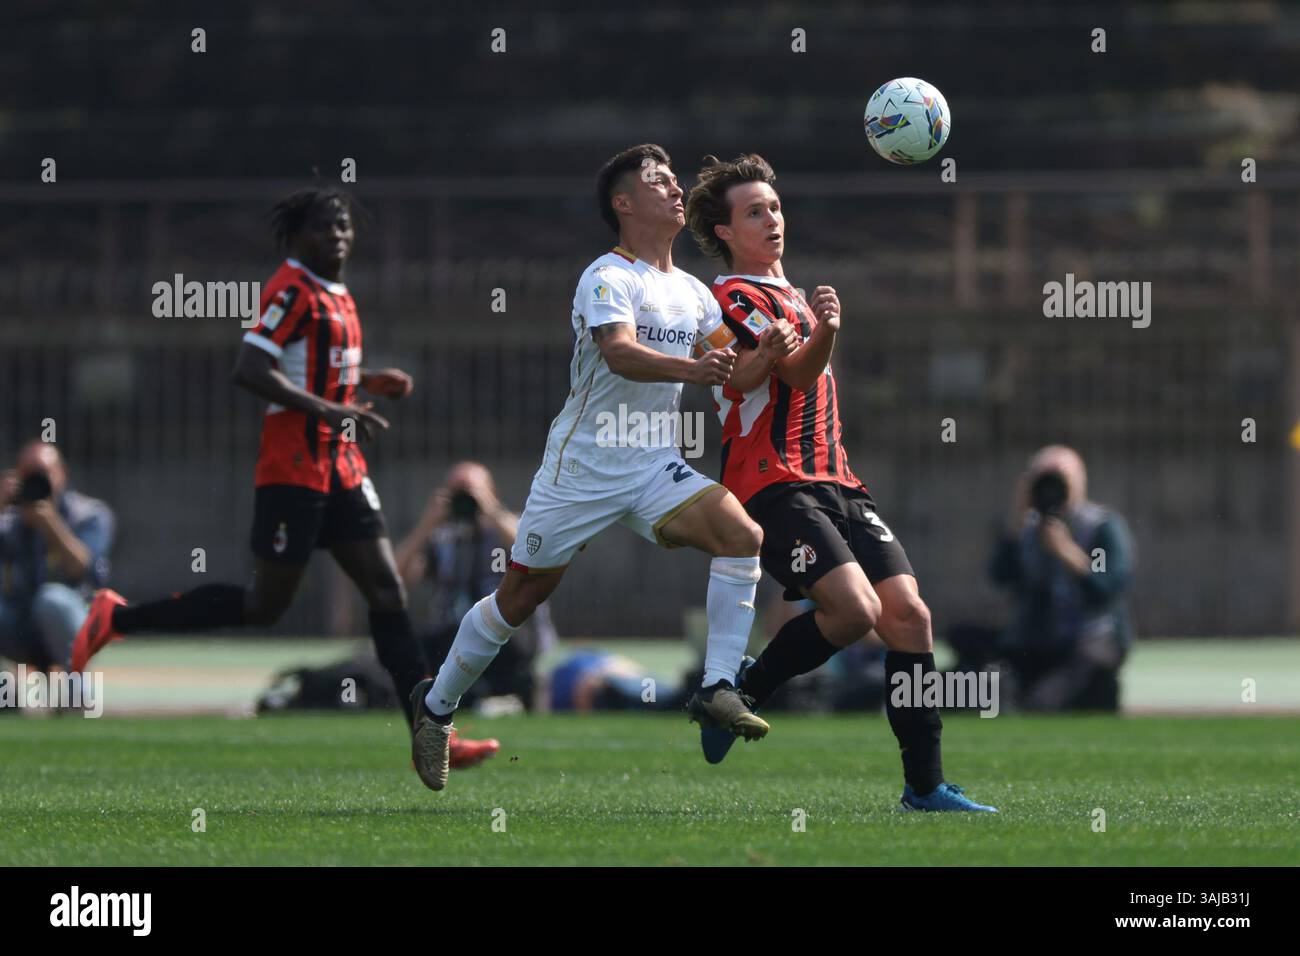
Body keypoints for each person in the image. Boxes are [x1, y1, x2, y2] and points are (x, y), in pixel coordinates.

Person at [410, 144, 770, 793]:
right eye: (655, 181)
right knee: (520, 596)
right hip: (581, 467)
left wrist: (779, 349)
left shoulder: (693, 293)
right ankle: (435, 709)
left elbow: (736, 370)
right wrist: (696, 369)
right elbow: (620, 354)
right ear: (623, 204)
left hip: (653, 464)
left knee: (742, 536)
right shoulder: (607, 275)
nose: (673, 188)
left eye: (673, 178)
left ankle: (717, 687)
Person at [683, 153, 996, 812]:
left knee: (910, 618)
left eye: (774, 206)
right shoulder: (729, 297)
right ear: (725, 232)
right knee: (855, 612)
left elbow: (804, 368)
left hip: (840, 481)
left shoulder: (796, 296)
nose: (772, 218)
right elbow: (792, 374)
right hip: (772, 485)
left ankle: (924, 787)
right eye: (754, 212)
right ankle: (748, 685)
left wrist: (819, 323)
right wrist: (825, 328)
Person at [70, 187, 431, 747]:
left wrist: (363, 383)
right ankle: (117, 620)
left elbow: (309, 371)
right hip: (293, 469)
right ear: (296, 238)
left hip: (342, 468)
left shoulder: (337, 292)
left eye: (343, 226)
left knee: (387, 591)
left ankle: (433, 734)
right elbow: (251, 367)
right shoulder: (291, 288)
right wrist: (329, 406)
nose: (337, 234)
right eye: (323, 227)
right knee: (265, 606)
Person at [396, 461, 556, 710]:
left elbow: (537, 555)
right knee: (415, 651)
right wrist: (426, 525)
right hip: (451, 636)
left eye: (470, 492)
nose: (464, 500)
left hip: (509, 638)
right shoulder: (441, 537)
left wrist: (491, 511)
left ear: (491, 493)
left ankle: (509, 696)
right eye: (457, 492)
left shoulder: (512, 526)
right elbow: (397, 578)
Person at [989, 444, 1135, 711]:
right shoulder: (1024, 528)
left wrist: (1067, 552)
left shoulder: (1099, 528)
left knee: (1043, 701)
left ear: (1080, 482)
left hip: (1086, 642)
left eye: (1059, 480)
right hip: (1035, 640)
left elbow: (1106, 588)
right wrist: (1015, 523)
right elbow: (999, 577)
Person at [0, 442, 114, 676]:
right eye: (28, 475)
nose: (35, 482)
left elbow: (82, 567)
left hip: (73, 621)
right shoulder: (8, 519)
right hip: (19, 624)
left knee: (52, 599)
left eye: (43, 473)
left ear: (62, 474)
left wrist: (49, 524)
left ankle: (78, 695)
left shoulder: (88, 513)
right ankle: (6, 698)